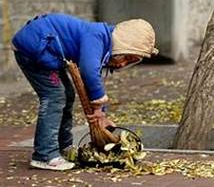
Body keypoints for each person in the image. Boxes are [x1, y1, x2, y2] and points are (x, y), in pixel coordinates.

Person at [11, 13, 158, 171]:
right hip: (35, 48)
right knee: (55, 97)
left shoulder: (102, 41)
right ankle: (45, 155)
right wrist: (100, 100)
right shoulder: (97, 36)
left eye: (131, 61)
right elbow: (89, 72)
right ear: (122, 44)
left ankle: (63, 146)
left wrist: (100, 113)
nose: (123, 64)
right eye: (127, 58)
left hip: (48, 53)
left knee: (67, 95)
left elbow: (91, 81)